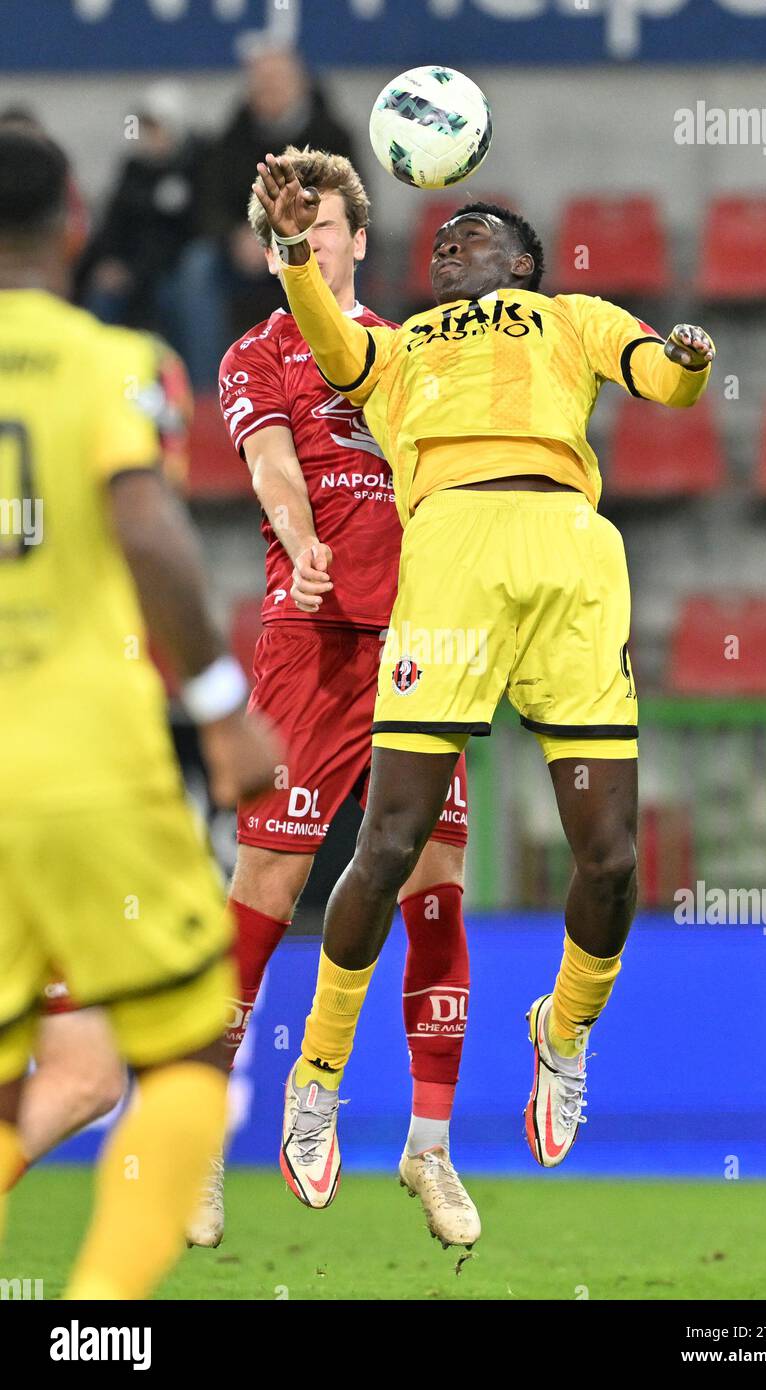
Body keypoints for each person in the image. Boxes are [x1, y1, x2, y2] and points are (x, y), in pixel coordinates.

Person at [251, 152, 715, 1189]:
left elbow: (665, 381)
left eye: (477, 233)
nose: (450, 242)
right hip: (450, 559)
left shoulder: (573, 318)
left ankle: (563, 1030)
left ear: (526, 263)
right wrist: (291, 252)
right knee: (388, 838)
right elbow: (330, 351)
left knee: (606, 855)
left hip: (569, 563)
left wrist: (686, 359)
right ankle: (317, 1073)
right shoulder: (400, 344)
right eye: (442, 237)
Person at [0, 128, 279, 1300]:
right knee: (184, 1058)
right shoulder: (118, 363)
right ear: (74, 221)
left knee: (57, 1065)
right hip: (83, 764)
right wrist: (221, 705)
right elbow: (148, 527)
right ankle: (93, 1324)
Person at [184, 146, 477, 1251]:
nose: (300, 250)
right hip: (310, 645)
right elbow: (272, 466)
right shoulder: (255, 353)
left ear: (356, 239)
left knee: (435, 886)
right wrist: (304, 545)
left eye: (316, 233)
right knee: (265, 887)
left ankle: (429, 1147)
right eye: (282, 240)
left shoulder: (410, 356)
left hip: (423, 646)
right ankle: (200, 1148)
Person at [180, 40, 358, 385]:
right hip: (246, 252)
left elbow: (350, 205)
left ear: (300, 84)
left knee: (343, 259)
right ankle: (210, 388)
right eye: (260, 84)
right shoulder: (232, 137)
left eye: (277, 82)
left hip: (310, 243)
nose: (268, 92)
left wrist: (294, 239)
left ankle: (335, 378)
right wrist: (235, 236)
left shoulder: (333, 136)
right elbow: (209, 204)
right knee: (196, 268)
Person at [75, 83, 208, 381]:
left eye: (156, 127)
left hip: (169, 271)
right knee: (99, 296)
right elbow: (113, 226)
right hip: (132, 272)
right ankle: (93, 380)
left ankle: (202, 390)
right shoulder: (133, 169)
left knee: (182, 293)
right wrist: (107, 263)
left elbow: (191, 234)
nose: (149, 136)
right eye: (144, 128)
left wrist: (134, 271)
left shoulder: (198, 167)